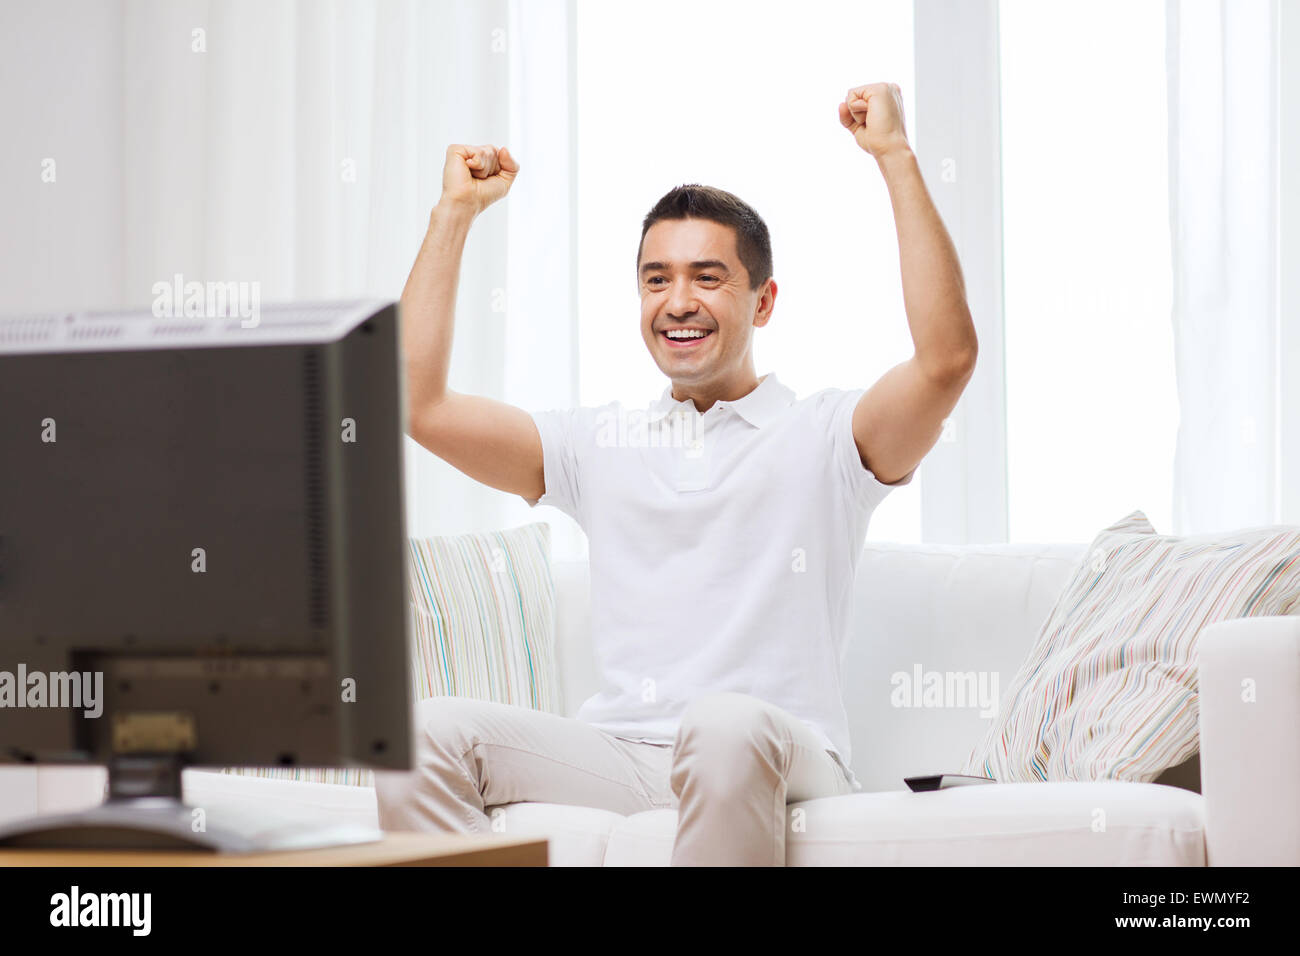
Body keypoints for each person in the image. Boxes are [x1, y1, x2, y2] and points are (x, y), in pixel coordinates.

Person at [374, 81, 977, 866]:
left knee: (723, 723)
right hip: (626, 757)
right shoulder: (599, 443)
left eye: (707, 276)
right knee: (424, 737)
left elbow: (946, 361)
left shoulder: (825, 435)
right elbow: (419, 404)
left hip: (780, 755)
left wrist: (894, 157)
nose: (677, 301)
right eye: (657, 279)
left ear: (762, 303)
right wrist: (453, 214)